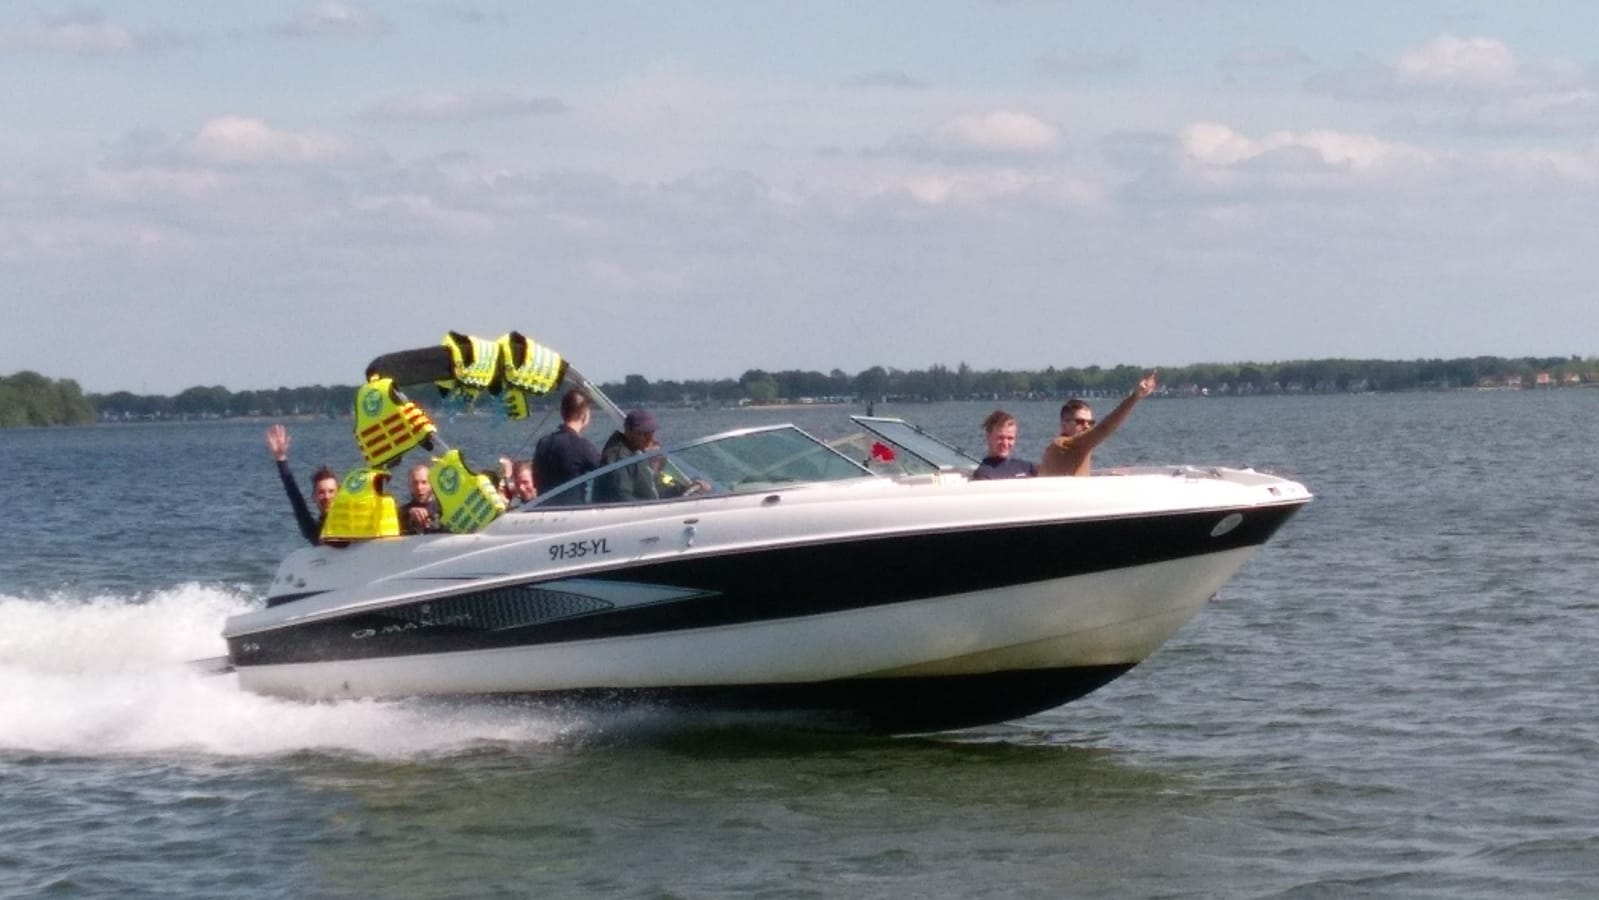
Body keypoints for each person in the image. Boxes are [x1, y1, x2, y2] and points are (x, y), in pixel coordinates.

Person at [1039, 370, 1159, 476]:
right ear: (1064, 425)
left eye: (1091, 423)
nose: (1087, 426)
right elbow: (1104, 428)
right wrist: (1135, 397)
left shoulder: (1071, 447)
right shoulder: (1065, 445)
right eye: (1080, 422)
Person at [594, 409, 706, 502]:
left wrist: (684, 489)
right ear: (628, 431)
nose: (650, 438)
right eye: (643, 433)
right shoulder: (618, 456)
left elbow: (652, 484)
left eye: (651, 432)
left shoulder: (635, 453)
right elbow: (621, 496)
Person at [265, 423, 337, 544]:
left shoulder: (355, 522)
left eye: (331, 491)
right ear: (313, 497)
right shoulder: (313, 531)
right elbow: (295, 497)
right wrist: (281, 458)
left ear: (340, 494)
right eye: (321, 492)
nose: (327, 496)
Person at [532, 389, 602, 503]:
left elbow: (535, 478)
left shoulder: (543, 443)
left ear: (562, 413)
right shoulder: (582, 446)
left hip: (544, 509)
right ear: (584, 415)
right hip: (572, 511)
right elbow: (607, 471)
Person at [970, 410, 1037, 480]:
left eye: (1010, 438)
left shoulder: (1028, 467)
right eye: (1000, 438)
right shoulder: (984, 474)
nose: (1005, 443)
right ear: (988, 437)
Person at [402, 462, 441, 534]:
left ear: (432, 484)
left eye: (424, 482)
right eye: (415, 483)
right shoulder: (401, 512)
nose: (419, 488)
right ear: (409, 485)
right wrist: (408, 513)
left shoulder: (442, 510)